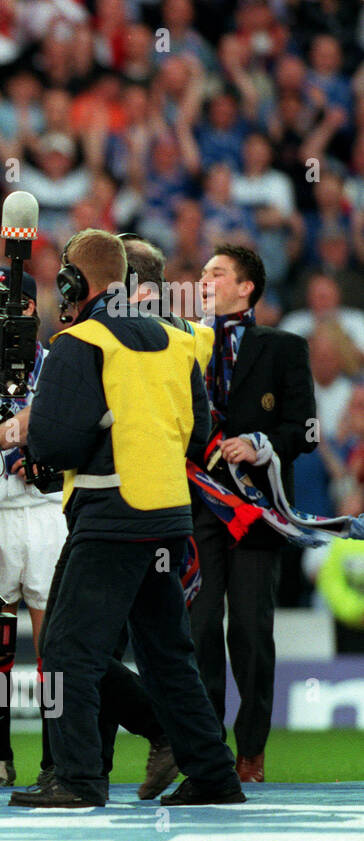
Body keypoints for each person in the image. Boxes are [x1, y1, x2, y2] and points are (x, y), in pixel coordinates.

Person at [12, 228, 244, 808]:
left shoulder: (79, 342)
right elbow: (196, 435)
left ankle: (78, 779)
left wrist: (45, 453)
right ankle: (214, 776)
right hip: (167, 515)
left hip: (110, 513)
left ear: (74, 281)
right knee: (167, 653)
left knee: (67, 651)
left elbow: (55, 442)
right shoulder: (178, 340)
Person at [190, 244, 316, 783]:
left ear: (247, 287)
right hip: (197, 503)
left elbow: (305, 432)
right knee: (197, 630)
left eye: (216, 274)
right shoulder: (181, 346)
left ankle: (252, 752)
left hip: (258, 510)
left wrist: (259, 442)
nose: (204, 281)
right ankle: (205, 748)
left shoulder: (284, 348)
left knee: (249, 629)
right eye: (201, 274)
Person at [0, 268, 66, 788]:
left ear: (30, 308)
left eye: (10, 305)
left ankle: (53, 759)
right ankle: (0, 756)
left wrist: (45, 458)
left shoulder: (60, 364)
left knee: (54, 646)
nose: (1, 316)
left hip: (48, 515)